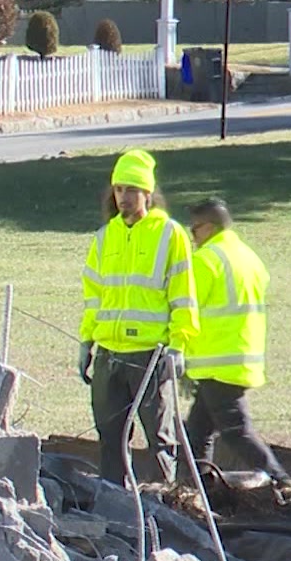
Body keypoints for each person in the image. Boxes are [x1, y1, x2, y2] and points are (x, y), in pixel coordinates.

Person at [78, 149, 197, 487]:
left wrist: (178, 345)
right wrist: (87, 342)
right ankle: (113, 505)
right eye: (118, 190)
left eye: (132, 190)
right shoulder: (104, 238)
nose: (124, 198)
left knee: (160, 440)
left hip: (150, 354)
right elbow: (94, 297)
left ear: (147, 193)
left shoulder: (169, 234)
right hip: (109, 354)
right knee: (110, 439)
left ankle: (165, 506)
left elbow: (183, 294)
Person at [181, 198, 290, 486]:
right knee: (198, 431)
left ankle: (281, 482)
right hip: (241, 355)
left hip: (217, 359)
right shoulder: (247, 256)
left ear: (211, 227)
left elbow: (184, 306)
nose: (193, 237)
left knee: (235, 430)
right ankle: (197, 487)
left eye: (195, 230)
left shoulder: (207, 259)